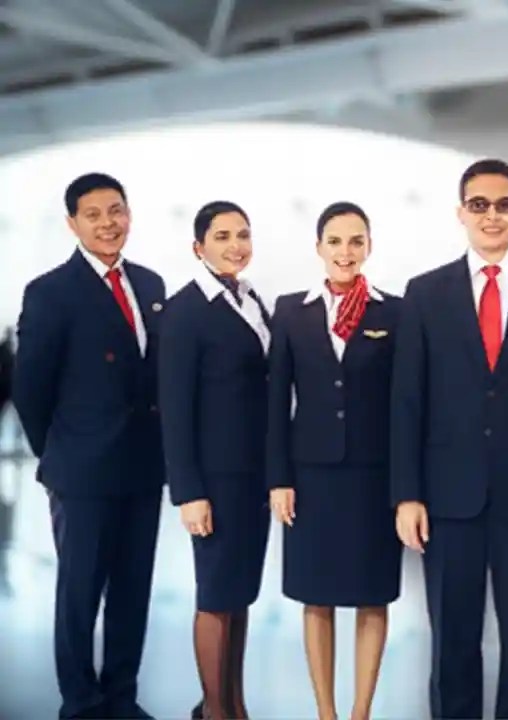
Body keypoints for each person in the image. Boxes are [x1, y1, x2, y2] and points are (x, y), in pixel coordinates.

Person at [390, 158, 508, 720]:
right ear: (461, 213)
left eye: (504, 205)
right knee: (453, 641)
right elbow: (407, 402)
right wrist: (407, 494)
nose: (492, 215)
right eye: (480, 204)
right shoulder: (425, 294)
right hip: (448, 499)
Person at [11, 172, 166, 720]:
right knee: (80, 595)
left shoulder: (150, 285)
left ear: (129, 213)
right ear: (73, 222)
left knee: (132, 591)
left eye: (116, 211)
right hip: (82, 471)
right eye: (94, 214)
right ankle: (80, 702)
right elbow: (29, 387)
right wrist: (57, 454)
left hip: (144, 467)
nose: (108, 223)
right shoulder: (51, 291)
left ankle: (122, 696)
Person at [265, 202, 401, 720]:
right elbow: (278, 401)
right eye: (336, 241)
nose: (346, 252)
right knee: (315, 595)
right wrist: (279, 478)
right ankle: (325, 711)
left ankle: (361, 710)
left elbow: (404, 402)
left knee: (372, 595)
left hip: (373, 475)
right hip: (312, 476)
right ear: (319, 247)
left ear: (369, 246)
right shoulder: (291, 311)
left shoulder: (395, 312)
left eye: (356, 241)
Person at [157, 201, 271, 720]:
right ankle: (216, 712)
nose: (235, 245)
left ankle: (234, 704)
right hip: (215, 480)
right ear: (198, 246)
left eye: (242, 234)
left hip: (252, 477)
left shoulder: (251, 300)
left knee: (239, 592)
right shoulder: (185, 310)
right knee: (216, 594)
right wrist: (189, 491)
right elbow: (175, 407)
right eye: (222, 236)